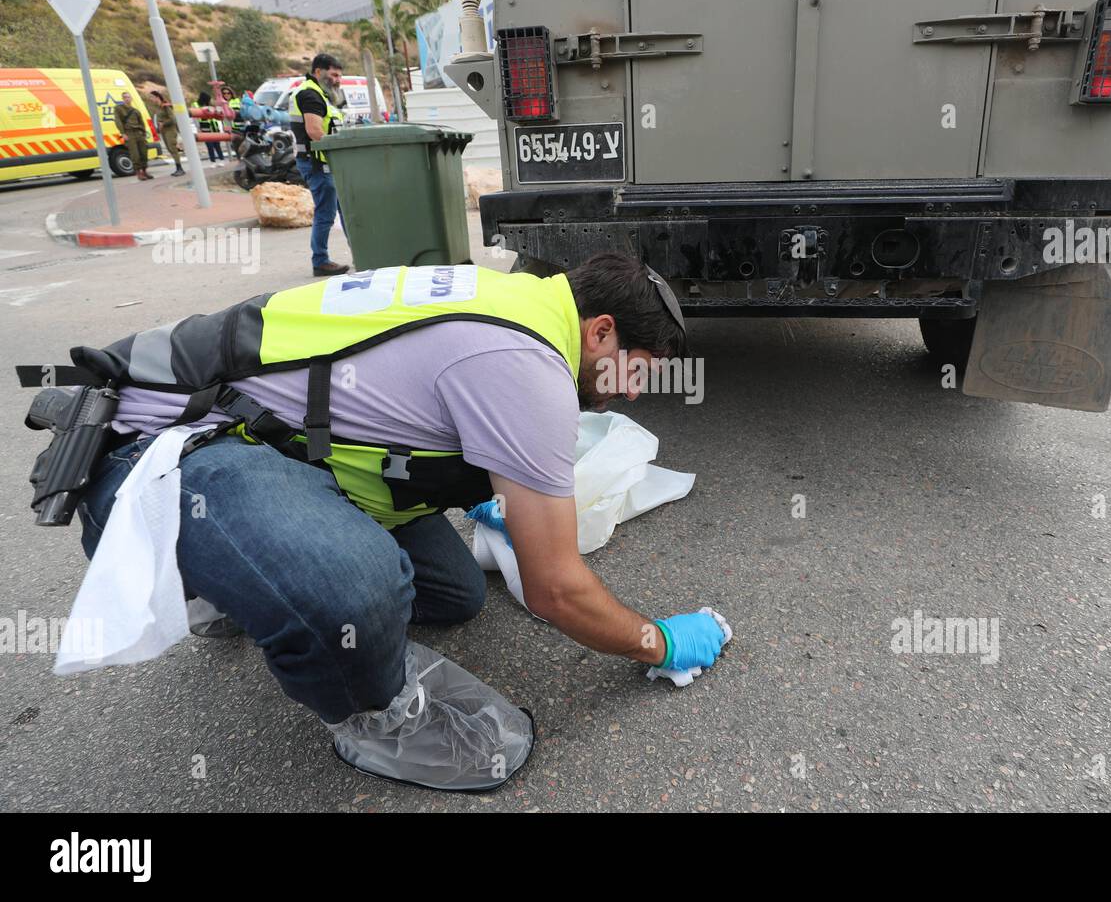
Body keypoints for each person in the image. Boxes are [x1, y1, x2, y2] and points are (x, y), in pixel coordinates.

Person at [64, 254, 724, 791]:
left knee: (454, 593)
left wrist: (491, 495)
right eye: (638, 372)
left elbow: (411, 406)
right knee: (361, 588)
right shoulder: (528, 364)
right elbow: (556, 588)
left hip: (295, 447)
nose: (636, 392)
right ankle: (365, 716)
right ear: (601, 331)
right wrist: (656, 642)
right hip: (172, 445)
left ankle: (255, 570)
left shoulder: (521, 304)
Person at [290, 53, 350, 277]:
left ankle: (360, 251)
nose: (337, 79)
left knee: (347, 210)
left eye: (339, 75)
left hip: (329, 163)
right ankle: (320, 260)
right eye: (333, 74)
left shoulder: (323, 95)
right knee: (326, 213)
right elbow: (315, 131)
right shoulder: (310, 94)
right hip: (317, 163)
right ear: (318, 72)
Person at [113, 91, 152, 181]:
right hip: (129, 133)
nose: (127, 99)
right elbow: (117, 121)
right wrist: (123, 133)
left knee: (144, 153)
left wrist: (144, 133)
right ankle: (138, 173)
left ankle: (145, 171)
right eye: (125, 97)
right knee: (135, 155)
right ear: (122, 99)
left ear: (131, 98)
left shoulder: (135, 111)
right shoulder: (119, 109)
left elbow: (141, 122)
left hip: (139, 133)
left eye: (128, 97)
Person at [148, 90, 184, 177]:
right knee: (170, 149)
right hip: (164, 131)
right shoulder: (158, 107)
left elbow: (173, 119)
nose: (151, 99)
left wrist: (163, 123)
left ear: (157, 97)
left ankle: (180, 168)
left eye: (152, 97)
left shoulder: (165, 106)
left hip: (170, 130)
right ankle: (177, 167)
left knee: (173, 148)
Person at [194, 91, 225, 165]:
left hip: (214, 128)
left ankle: (221, 159)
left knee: (217, 145)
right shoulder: (197, 106)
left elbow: (220, 114)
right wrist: (198, 128)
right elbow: (196, 119)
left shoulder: (213, 106)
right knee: (210, 146)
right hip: (205, 128)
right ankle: (213, 161)